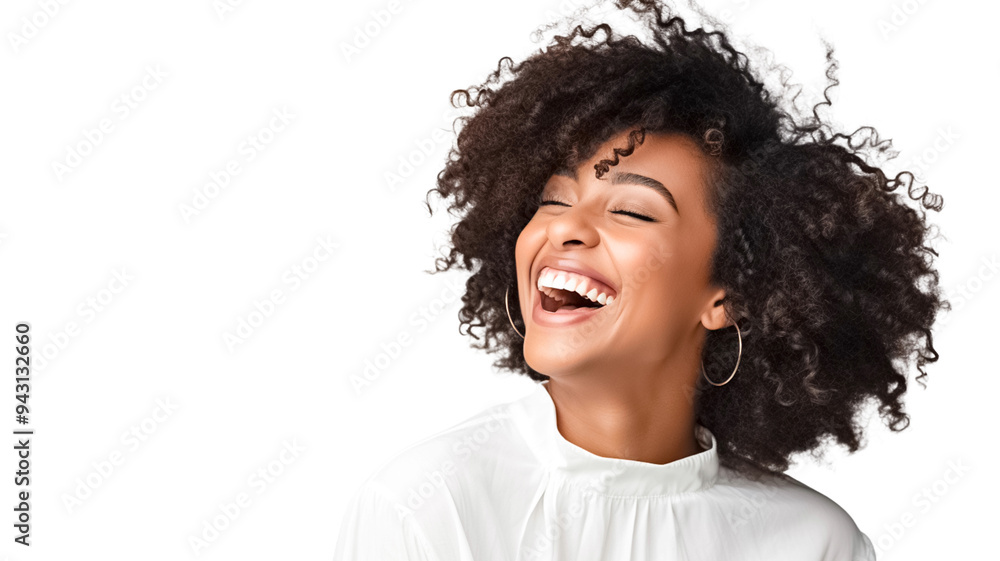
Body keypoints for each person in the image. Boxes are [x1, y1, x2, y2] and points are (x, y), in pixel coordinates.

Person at [333, 0, 946, 559]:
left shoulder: (814, 543)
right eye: (551, 201)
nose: (567, 228)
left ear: (725, 293)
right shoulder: (430, 508)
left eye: (630, 210)